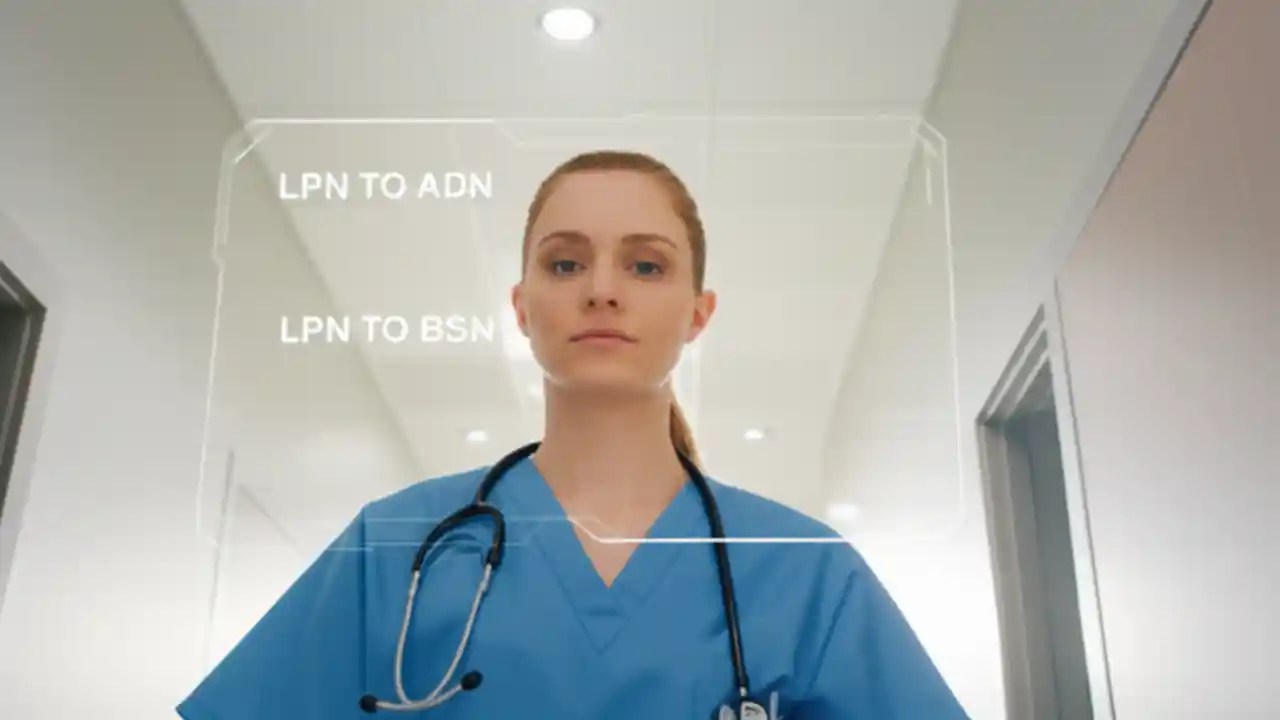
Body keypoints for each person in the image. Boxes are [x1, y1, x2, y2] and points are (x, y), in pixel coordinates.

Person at [176, 150, 969, 719]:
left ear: (698, 314)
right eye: (564, 265)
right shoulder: (392, 546)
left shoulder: (805, 571)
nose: (601, 291)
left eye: (646, 266)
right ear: (521, 307)